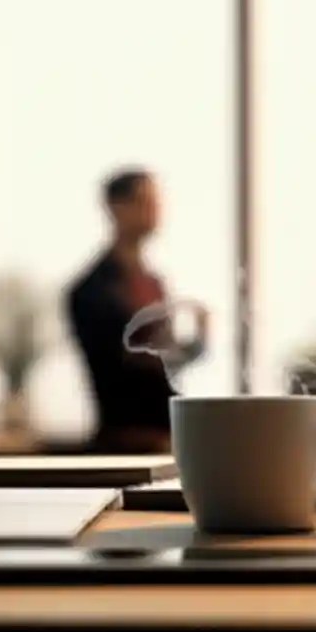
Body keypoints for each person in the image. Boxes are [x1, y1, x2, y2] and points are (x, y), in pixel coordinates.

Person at [66, 168, 206, 453]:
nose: (155, 211)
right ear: (116, 208)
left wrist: (198, 340)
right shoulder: (92, 290)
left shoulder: (153, 283)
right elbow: (123, 365)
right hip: (125, 439)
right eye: (144, 201)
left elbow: (166, 361)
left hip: (164, 433)